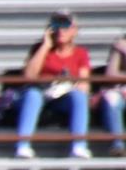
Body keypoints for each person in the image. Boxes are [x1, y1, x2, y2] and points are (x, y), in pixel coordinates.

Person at [9, 11, 123, 161]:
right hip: (39, 93)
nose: (61, 30)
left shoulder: (80, 53)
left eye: (66, 26)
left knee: (79, 96)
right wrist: (46, 46)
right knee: (33, 94)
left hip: (62, 96)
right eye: (57, 25)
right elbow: (29, 76)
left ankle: (79, 145)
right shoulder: (40, 49)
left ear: (74, 30)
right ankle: (23, 145)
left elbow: (84, 85)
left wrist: (69, 84)